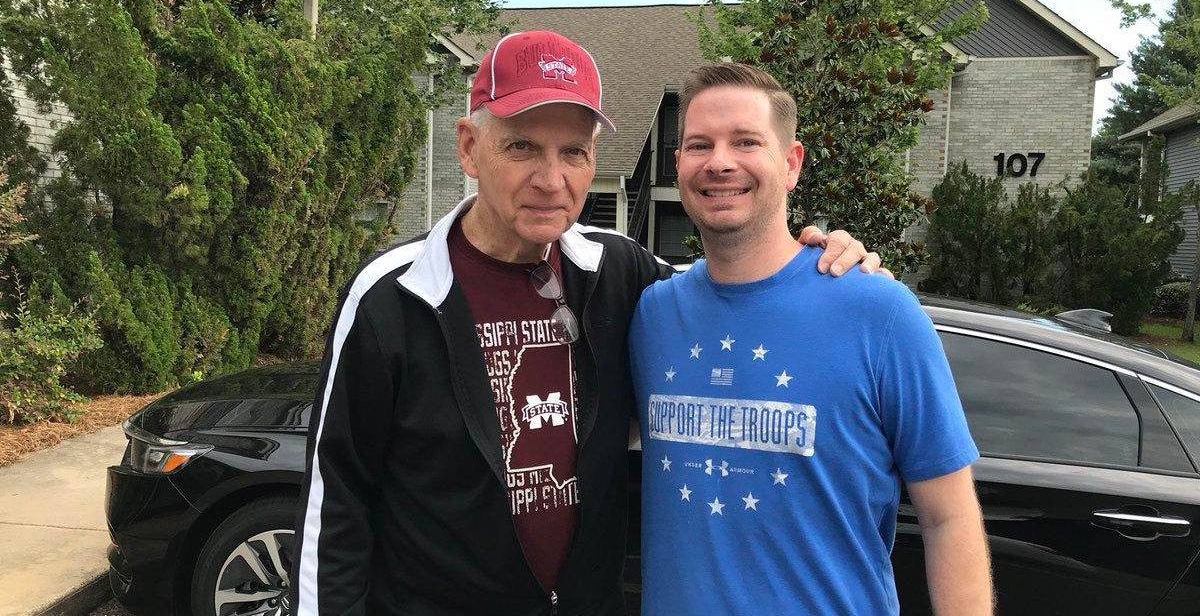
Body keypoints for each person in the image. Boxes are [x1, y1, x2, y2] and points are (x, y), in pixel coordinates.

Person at [291, 31, 880, 615]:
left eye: (573, 152)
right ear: (469, 147)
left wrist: (820, 259)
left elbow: (736, 289)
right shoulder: (394, 296)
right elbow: (335, 504)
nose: (553, 180)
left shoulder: (620, 275)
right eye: (522, 148)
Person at [629, 62, 993, 616]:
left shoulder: (879, 311)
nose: (720, 161)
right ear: (679, 166)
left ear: (791, 162)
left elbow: (949, 517)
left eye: (746, 141)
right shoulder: (652, 314)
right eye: (699, 145)